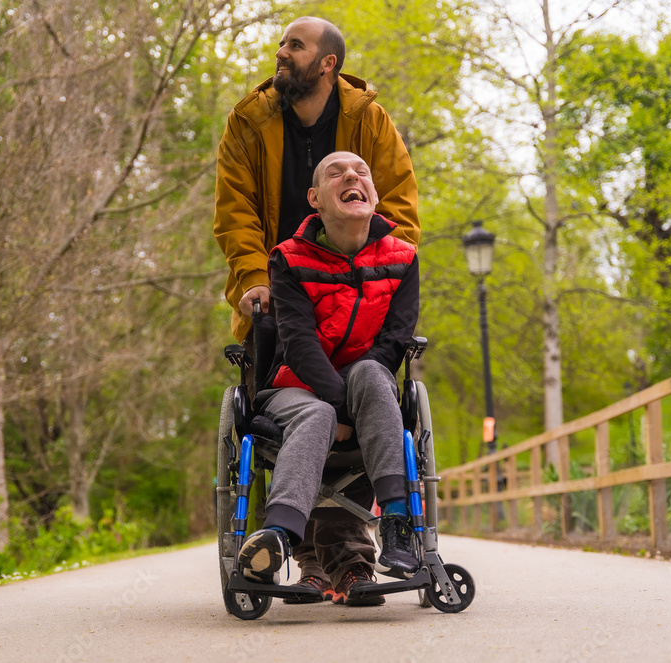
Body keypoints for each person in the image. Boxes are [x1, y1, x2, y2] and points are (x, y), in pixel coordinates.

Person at [213, 16, 420, 604]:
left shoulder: (367, 122)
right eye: (282, 43)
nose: (279, 53)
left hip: (359, 293)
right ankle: (314, 558)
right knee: (302, 410)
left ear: (326, 63)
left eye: (293, 46)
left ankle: (347, 562)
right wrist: (257, 280)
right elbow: (235, 213)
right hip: (282, 298)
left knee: (367, 383)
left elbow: (399, 204)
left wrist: (376, 260)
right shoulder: (249, 122)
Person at [236, 152, 421, 605]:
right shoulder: (289, 259)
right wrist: (339, 409)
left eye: (361, 172)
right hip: (293, 384)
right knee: (317, 414)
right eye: (336, 173)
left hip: (363, 386)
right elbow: (298, 342)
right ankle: (277, 536)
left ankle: (397, 524)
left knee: (375, 374)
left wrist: (351, 405)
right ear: (315, 199)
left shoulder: (404, 258)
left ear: (373, 195)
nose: (352, 176)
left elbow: (396, 340)